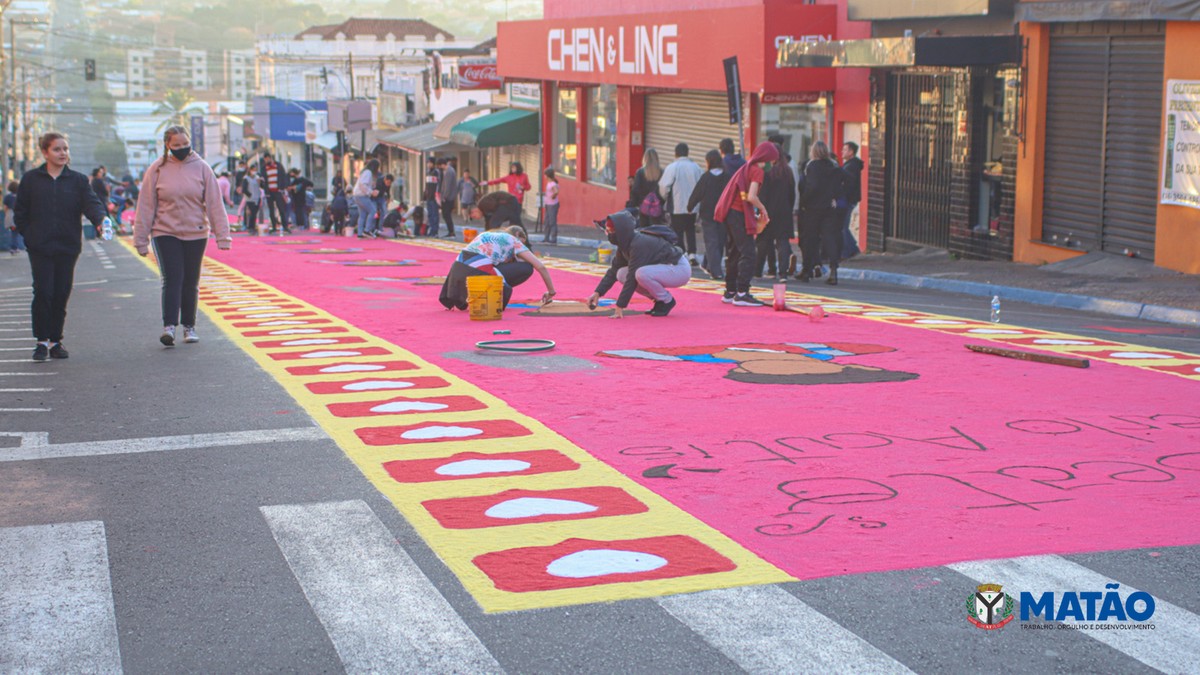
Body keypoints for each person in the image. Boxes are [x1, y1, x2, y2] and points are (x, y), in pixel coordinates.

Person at [134, 125, 232, 346]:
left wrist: (222, 235)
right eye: (176, 145)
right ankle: (169, 326)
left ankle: (189, 326)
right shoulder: (157, 170)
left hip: (195, 233)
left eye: (185, 144)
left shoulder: (202, 168)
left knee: (190, 280)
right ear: (167, 145)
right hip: (165, 232)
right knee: (172, 278)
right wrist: (141, 240)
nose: (181, 148)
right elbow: (146, 206)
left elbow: (214, 203)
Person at [14, 132, 108, 361]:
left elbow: (92, 204)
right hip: (41, 247)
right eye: (57, 149)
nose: (63, 153)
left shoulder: (77, 180)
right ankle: (41, 342)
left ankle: (56, 341)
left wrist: (101, 221)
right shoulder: (31, 179)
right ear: (45, 152)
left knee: (61, 292)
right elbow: (21, 213)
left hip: (68, 246)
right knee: (43, 291)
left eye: (65, 149)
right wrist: (31, 236)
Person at [588, 210, 689, 318]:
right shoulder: (625, 243)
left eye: (610, 230)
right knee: (621, 274)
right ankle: (659, 300)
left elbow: (632, 277)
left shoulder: (638, 244)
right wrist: (598, 292)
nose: (608, 234)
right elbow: (614, 270)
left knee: (640, 274)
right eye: (607, 230)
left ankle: (667, 301)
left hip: (679, 268)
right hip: (667, 267)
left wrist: (620, 306)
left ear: (621, 231)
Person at [714, 141, 778, 307]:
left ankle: (730, 291)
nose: (772, 164)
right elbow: (751, 197)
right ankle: (742, 292)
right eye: (772, 160)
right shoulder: (757, 171)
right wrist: (763, 208)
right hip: (738, 214)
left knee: (734, 251)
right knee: (748, 252)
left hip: (730, 213)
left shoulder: (747, 167)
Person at [438, 225, 556, 311]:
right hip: (477, 270)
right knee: (527, 267)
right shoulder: (513, 240)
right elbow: (540, 267)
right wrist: (551, 292)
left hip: (457, 271)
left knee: (493, 267)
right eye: (523, 243)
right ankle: (490, 296)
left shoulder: (486, 235)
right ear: (517, 236)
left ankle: (468, 297)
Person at [797, 141, 846, 286]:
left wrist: (804, 201)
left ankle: (807, 270)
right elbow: (842, 183)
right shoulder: (833, 166)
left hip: (813, 208)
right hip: (829, 208)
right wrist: (835, 199)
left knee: (809, 239)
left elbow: (812, 186)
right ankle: (833, 270)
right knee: (830, 238)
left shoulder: (812, 166)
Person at [757, 142, 796, 282]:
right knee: (782, 242)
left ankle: (764, 269)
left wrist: (761, 210)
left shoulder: (767, 173)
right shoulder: (788, 171)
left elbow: (763, 194)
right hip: (784, 211)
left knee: (764, 241)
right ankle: (783, 274)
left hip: (768, 211)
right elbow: (792, 194)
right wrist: (789, 208)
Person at [688, 150, 730, 280]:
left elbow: (697, 193)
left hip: (708, 214)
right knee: (719, 241)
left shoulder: (706, 177)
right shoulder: (727, 176)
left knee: (711, 241)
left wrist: (690, 207)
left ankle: (716, 271)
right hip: (723, 213)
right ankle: (708, 264)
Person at [660, 142, 703, 265]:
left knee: (677, 230)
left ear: (676, 153)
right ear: (687, 153)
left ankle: (681, 253)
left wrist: (665, 199)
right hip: (693, 207)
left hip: (677, 206)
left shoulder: (672, 167)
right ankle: (692, 254)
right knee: (690, 229)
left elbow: (664, 186)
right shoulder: (696, 167)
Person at [840, 141, 864, 259]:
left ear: (851, 152)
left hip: (848, 200)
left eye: (844, 150)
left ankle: (849, 251)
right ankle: (852, 249)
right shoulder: (850, 165)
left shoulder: (850, 167)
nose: (842, 152)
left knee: (842, 225)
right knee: (843, 225)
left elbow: (847, 185)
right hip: (850, 199)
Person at [630, 148, 665, 228]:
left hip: (644, 206)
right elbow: (665, 189)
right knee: (657, 230)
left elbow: (635, 189)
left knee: (644, 229)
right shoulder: (662, 172)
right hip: (657, 207)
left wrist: (635, 203)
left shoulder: (640, 172)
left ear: (645, 158)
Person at [261, 155, 290, 233]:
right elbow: (263, 180)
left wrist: (283, 187)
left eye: (267, 159)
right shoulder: (264, 168)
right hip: (269, 192)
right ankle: (274, 226)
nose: (266, 161)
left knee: (281, 209)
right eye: (265, 159)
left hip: (278, 191)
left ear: (271, 158)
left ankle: (285, 226)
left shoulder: (278, 166)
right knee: (271, 210)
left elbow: (284, 176)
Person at [353, 159, 380, 238]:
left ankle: (360, 233)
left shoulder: (364, 172)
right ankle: (367, 230)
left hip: (356, 194)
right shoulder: (368, 173)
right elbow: (363, 185)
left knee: (362, 214)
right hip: (362, 195)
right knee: (373, 211)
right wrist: (371, 192)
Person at [439, 157, 458, 238]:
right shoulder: (449, 171)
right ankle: (451, 231)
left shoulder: (449, 171)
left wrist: (444, 197)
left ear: (443, 164)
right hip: (449, 196)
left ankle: (451, 231)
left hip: (448, 197)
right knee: (446, 214)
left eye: (440, 166)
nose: (440, 168)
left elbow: (447, 185)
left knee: (446, 214)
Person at [423, 157, 441, 237]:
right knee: (430, 214)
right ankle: (431, 231)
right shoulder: (427, 173)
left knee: (435, 215)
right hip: (428, 197)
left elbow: (439, 185)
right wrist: (424, 194)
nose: (428, 164)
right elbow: (427, 186)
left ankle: (435, 231)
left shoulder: (436, 172)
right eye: (428, 163)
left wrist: (437, 195)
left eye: (430, 163)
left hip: (434, 197)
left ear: (433, 164)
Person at [4, 181, 24, 254]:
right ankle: (16, 247)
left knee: (13, 232)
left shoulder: (7, 197)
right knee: (18, 232)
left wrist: (6, 215)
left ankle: (14, 247)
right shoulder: (20, 196)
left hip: (10, 215)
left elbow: (5, 207)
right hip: (18, 214)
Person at [541, 167, 559, 244]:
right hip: (548, 204)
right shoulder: (549, 183)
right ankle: (546, 237)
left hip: (553, 204)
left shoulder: (552, 184)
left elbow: (556, 191)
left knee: (552, 221)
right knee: (547, 221)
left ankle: (553, 238)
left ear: (547, 175)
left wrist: (553, 196)